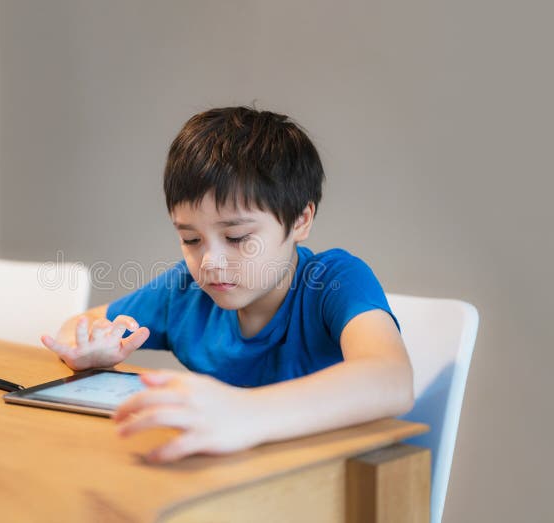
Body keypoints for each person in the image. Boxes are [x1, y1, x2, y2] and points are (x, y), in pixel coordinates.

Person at [41, 106, 413, 463]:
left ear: (300, 220)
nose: (209, 263)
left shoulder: (333, 281)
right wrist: (93, 349)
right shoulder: (185, 291)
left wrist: (247, 412)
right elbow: (82, 324)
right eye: (191, 239)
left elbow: (391, 380)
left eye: (236, 238)